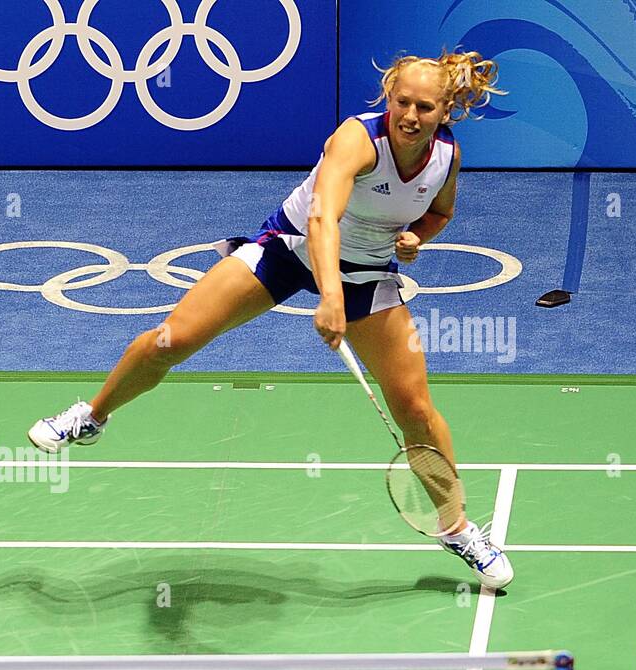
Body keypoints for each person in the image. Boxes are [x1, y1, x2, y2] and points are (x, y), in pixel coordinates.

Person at [29, 51, 513, 589]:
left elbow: (440, 211)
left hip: (367, 274)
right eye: (402, 101)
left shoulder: (446, 156)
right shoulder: (355, 139)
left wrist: (417, 236)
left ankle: (457, 528)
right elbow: (322, 217)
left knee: (417, 410)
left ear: (445, 110)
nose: (410, 115)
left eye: (425, 106)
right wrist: (328, 297)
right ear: (388, 96)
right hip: (289, 250)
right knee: (173, 339)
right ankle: (92, 416)